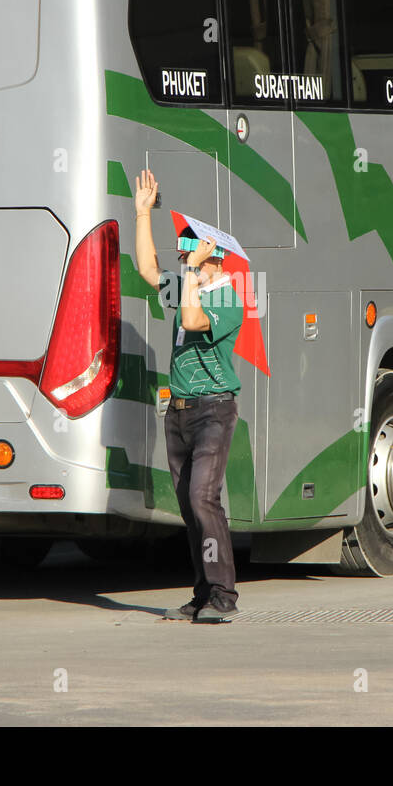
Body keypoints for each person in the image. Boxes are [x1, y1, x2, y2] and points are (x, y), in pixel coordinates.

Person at [133, 168, 243, 623]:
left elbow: (196, 323)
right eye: (183, 250)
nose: (182, 255)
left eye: (191, 249)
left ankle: (223, 595)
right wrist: (142, 215)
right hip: (178, 413)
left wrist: (194, 274)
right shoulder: (186, 287)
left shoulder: (230, 297)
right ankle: (201, 594)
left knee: (203, 497)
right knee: (188, 507)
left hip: (214, 410)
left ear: (213, 258)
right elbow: (146, 268)